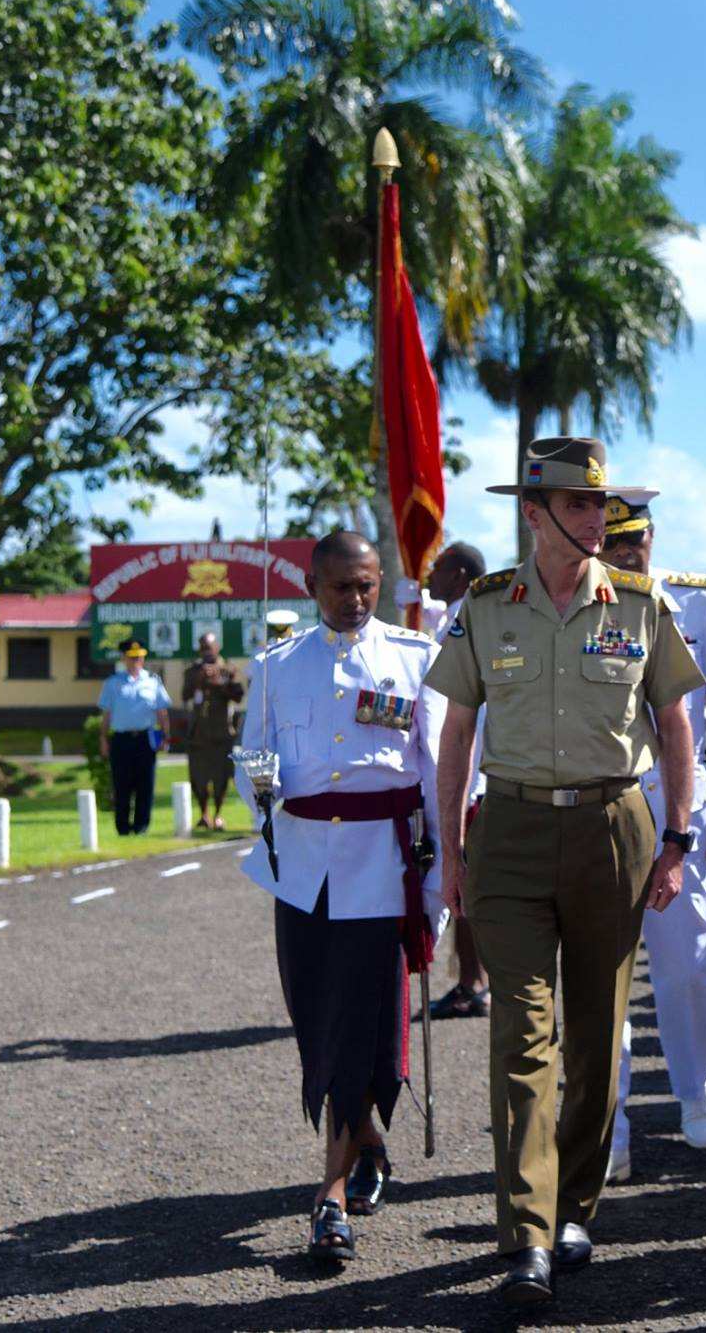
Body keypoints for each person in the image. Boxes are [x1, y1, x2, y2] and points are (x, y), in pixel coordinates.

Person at [426, 436, 706, 1310]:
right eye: (580, 506)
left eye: (602, 505)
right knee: (522, 1034)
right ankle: (527, 1233)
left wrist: (677, 835)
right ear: (533, 512)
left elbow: (675, 726)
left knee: (595, 1033)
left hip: (612, 829)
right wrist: (450, 854)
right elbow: (455, 738)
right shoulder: (483, 608)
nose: (599, 519)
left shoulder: (641, 603)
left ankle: (575, 1204)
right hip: (506, 829)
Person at [232, 531, 448, 1266]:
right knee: (316, 1020)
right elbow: (252, 754)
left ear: (378, 580)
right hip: (299, 870)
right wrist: (259, 784)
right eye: (339, 588)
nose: (354, 601)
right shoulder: (276, 665)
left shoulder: (414, 660)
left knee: (360, 1023)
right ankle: (370, 1143)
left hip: (378, 869)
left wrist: (437, 880)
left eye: (365, 586)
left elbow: (439, 776)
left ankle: (328, 1197)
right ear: (310, 585)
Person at [600, 496, 706, 1173]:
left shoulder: (693, 600)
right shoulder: (572, 602)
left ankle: (694, 1086)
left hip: (674, 805)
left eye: (635, 539)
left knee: (687, 960)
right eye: (613, 541)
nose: (627, 552)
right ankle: (611, 1122)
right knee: (599, 973)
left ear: (652, 536)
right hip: (598, 804)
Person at [419, 541, 498, 1022]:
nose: (430, 575)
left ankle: (474, 983)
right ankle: (474, 979)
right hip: (474, 776)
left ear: (461, 573)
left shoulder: (466, 618)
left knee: (463, 886)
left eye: (439, 569)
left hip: (473, 779)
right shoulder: (462, 615)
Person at [97, 639, 171, 836]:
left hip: (145, 739)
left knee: (145, 784)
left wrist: (165, 736)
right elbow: (106, 714)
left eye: (139, 657)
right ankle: (122, 827)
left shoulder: (153, 681)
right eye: (132, 658)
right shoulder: (113, 683)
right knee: (121, 784)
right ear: (124, 659)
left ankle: (141, 826)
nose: (136, 661)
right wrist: (103, 738)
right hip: (121, 740)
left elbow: (162, 711)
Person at [183, 631, 246, 831]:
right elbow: (185, 695)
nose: (206, 652)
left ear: (217, 648)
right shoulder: (192, 671)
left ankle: (218, 815)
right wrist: (199, 680)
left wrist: (221, 683)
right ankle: (203, 815)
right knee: (198, 779)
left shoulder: (228, 669)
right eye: (203, 648)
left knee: (221, 778)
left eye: (209, 648)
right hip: (199, 735)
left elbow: (238, 696)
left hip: (222, 734)